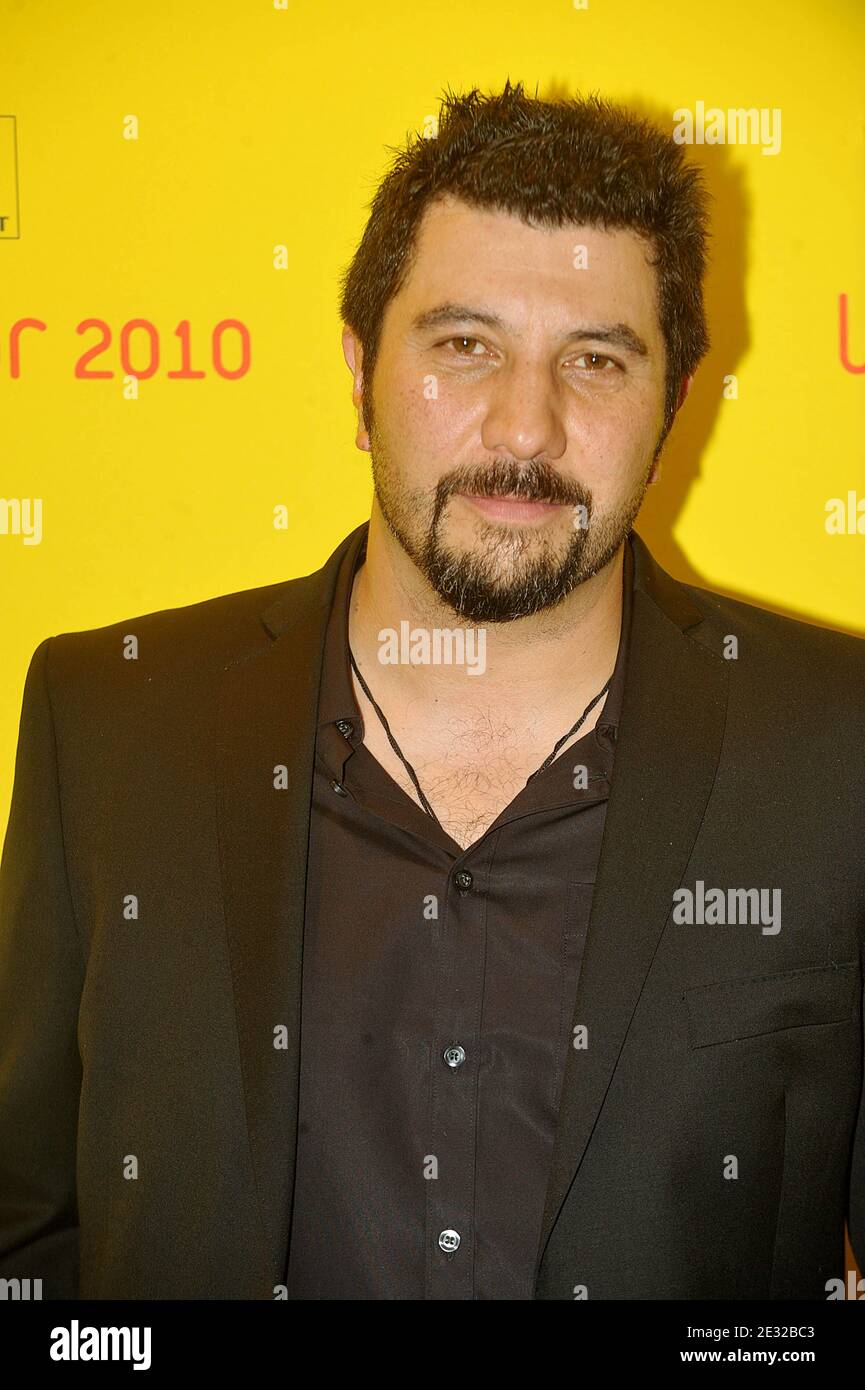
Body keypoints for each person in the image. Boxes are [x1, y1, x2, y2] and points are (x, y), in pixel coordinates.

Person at [1, 80, 863, 1301]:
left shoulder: (837, 747)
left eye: (596, 360)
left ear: (674, 403)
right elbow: (24, 1230)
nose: (526, 426)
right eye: (464, 346)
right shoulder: (109, 720)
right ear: (358, 372)